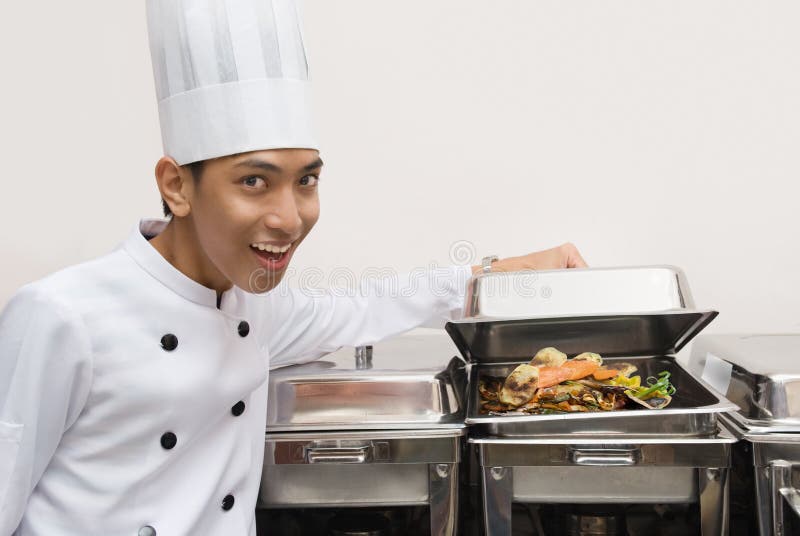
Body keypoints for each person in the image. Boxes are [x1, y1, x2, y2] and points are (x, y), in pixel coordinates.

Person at [0, 1, 586, 535]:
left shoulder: (254, 306)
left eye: (306, 180)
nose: (289, 218)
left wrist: (499, 275)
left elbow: (365, 305)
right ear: (176, 186)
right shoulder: (62, 316)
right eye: (254, 181)